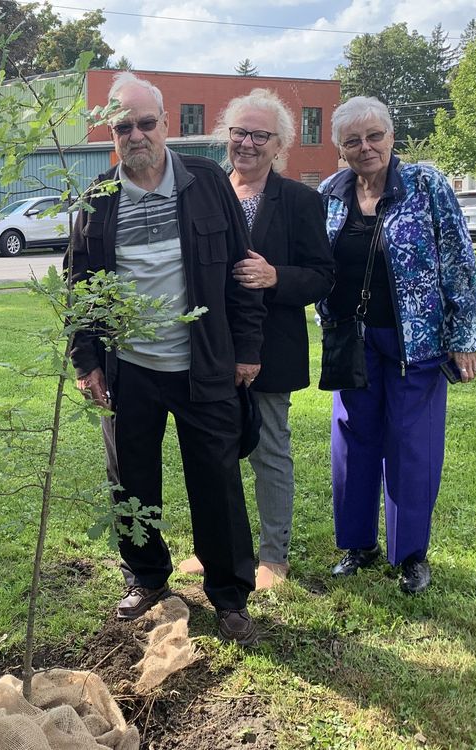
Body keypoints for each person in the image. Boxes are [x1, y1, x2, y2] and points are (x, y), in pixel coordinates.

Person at [70, 72, 266, 645]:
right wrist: (88, 362)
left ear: (166, 123)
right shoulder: (97, 201)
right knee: (131, 481)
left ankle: (229, 596)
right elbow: (81, 286)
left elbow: (241, 269)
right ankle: (147, 576)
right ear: (111, 132)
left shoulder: (206, 182)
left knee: (218, 482)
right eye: (123, 126)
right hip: (131, 371)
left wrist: (247, 349)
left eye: (146, 123)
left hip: (204, 364)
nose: (136, 134)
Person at [318, 96, 476, 594]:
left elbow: (457, 261)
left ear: (392, 137)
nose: (365, 147)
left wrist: (465, 337)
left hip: (418, 340)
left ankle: (410, 553)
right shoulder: (329, 192)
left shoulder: (425, 184)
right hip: (352, 339)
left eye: (375, 136)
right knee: (353, 440)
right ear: (339, 148)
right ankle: (358, 545)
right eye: (352, 140)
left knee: (413, 445)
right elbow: (317, 264)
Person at [178, 89, 334, 589]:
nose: (246, 143)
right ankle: (217, 548)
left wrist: (275, 278)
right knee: (212, 452)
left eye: (259, 135)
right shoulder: (203, 191)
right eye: (239, 133)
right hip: (206, 349)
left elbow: (323, 276)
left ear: (279, 143)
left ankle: (273, 555)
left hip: (271, 351)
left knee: (269, 449)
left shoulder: (302, 201)